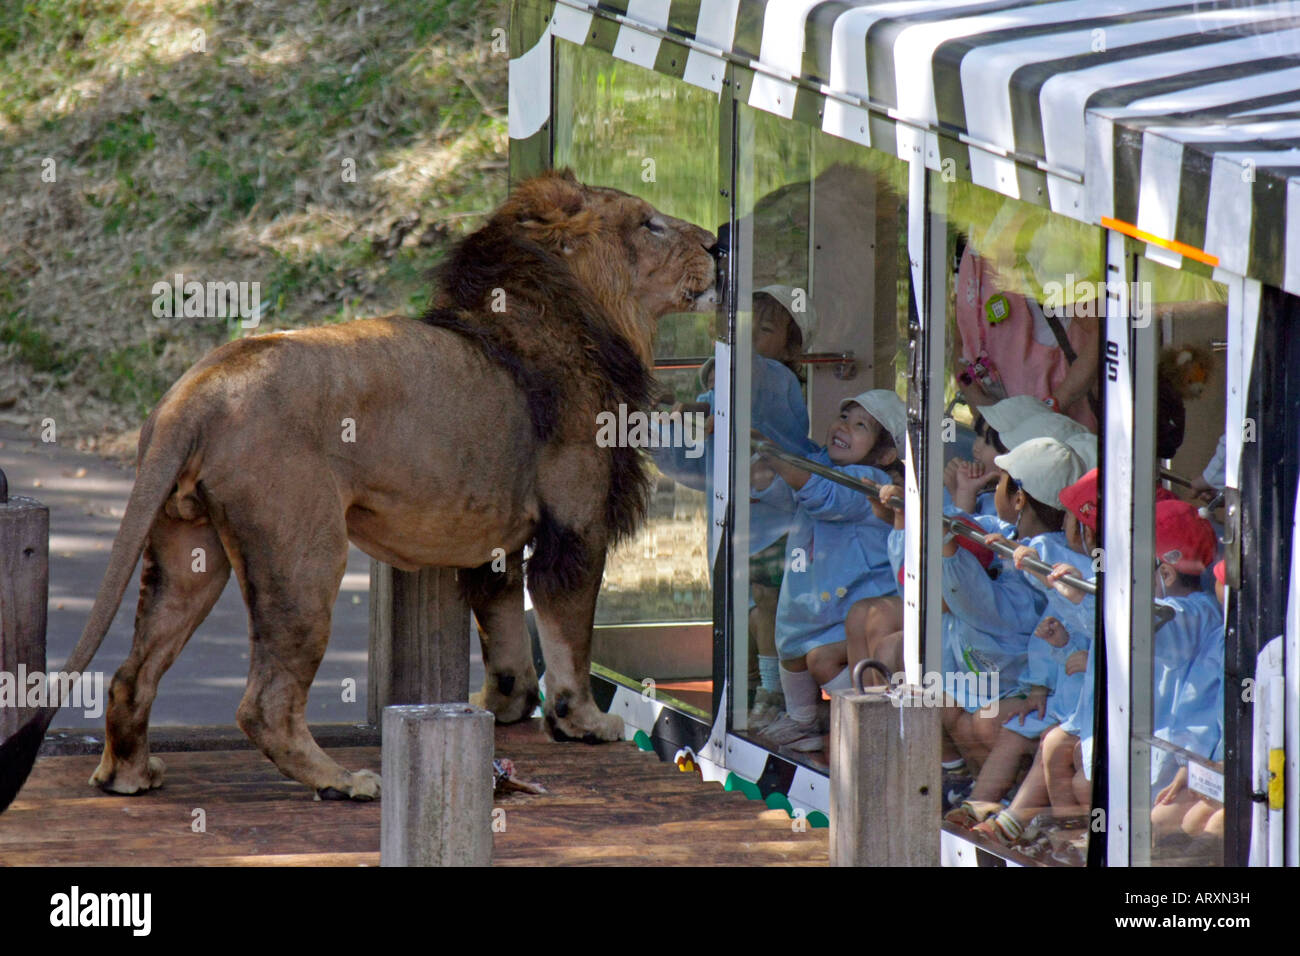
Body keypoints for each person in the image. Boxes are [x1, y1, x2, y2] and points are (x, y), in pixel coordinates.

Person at [749, 390, 906, 752]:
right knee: (790, 643)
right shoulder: (822, 463)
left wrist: (773, 453)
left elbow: (822, 495)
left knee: (818, 656)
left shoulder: (867, 480)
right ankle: (804, 718)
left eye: (860, 425)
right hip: (813, 592)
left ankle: (868, 721)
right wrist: (766, 463)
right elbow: (792, 492)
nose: (844, 427)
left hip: (854, 598)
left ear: (885, 454)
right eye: (844, 416)